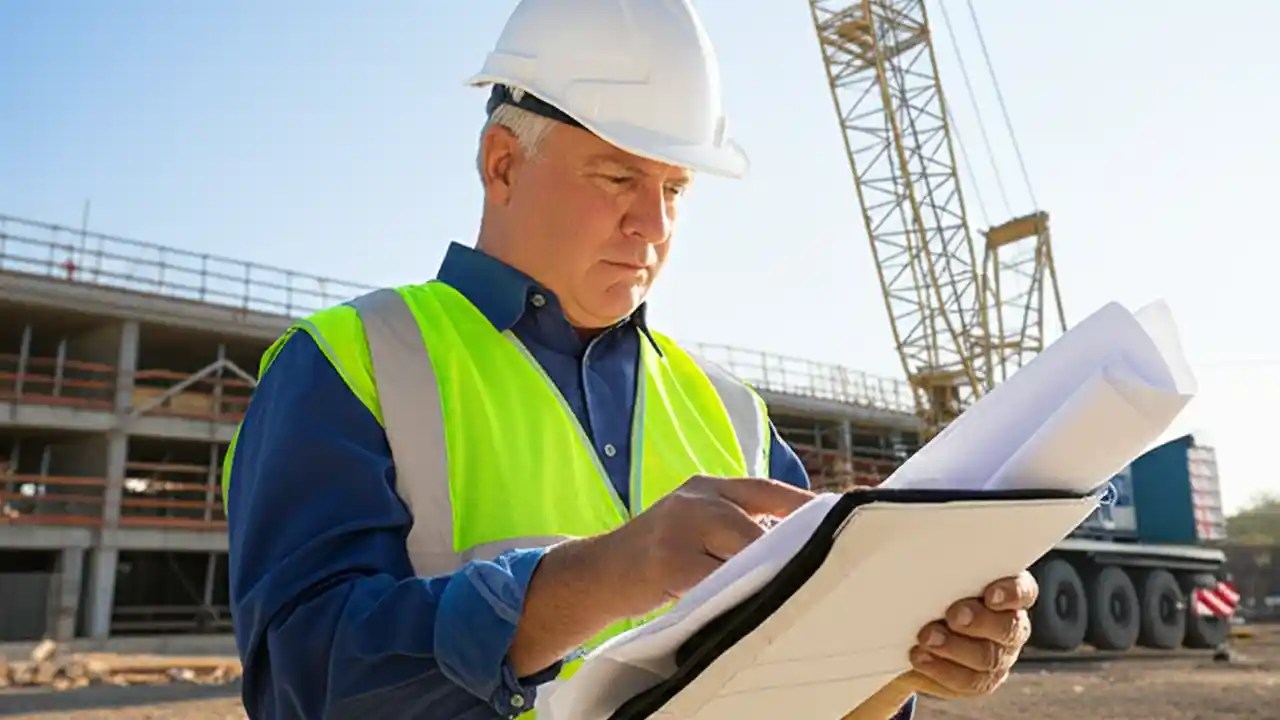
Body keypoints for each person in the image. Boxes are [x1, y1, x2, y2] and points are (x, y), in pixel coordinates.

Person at [222, 1, 1037, 718]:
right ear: (502, 164)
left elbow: (794, 688)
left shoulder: (736, 417)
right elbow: (301, 686)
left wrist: (895, 671)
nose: (654, 224)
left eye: (674, 189)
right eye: (618, 177)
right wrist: (598, 579)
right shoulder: (353, 364)